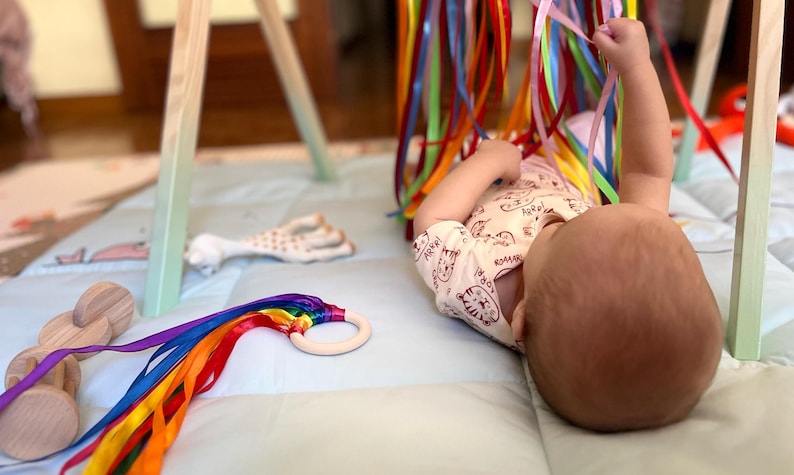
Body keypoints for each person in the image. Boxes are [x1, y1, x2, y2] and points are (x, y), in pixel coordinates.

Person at [411, 18, 724, 432]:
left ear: (520, 318)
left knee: (431, 158)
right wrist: (636, 68)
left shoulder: (481, 286)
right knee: (590, 121)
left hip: (493, 175)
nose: (557, 221)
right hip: (565, 170)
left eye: (560, 231)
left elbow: (432, 221)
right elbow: (648, 172)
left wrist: (488, 162)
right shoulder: (624, 240)